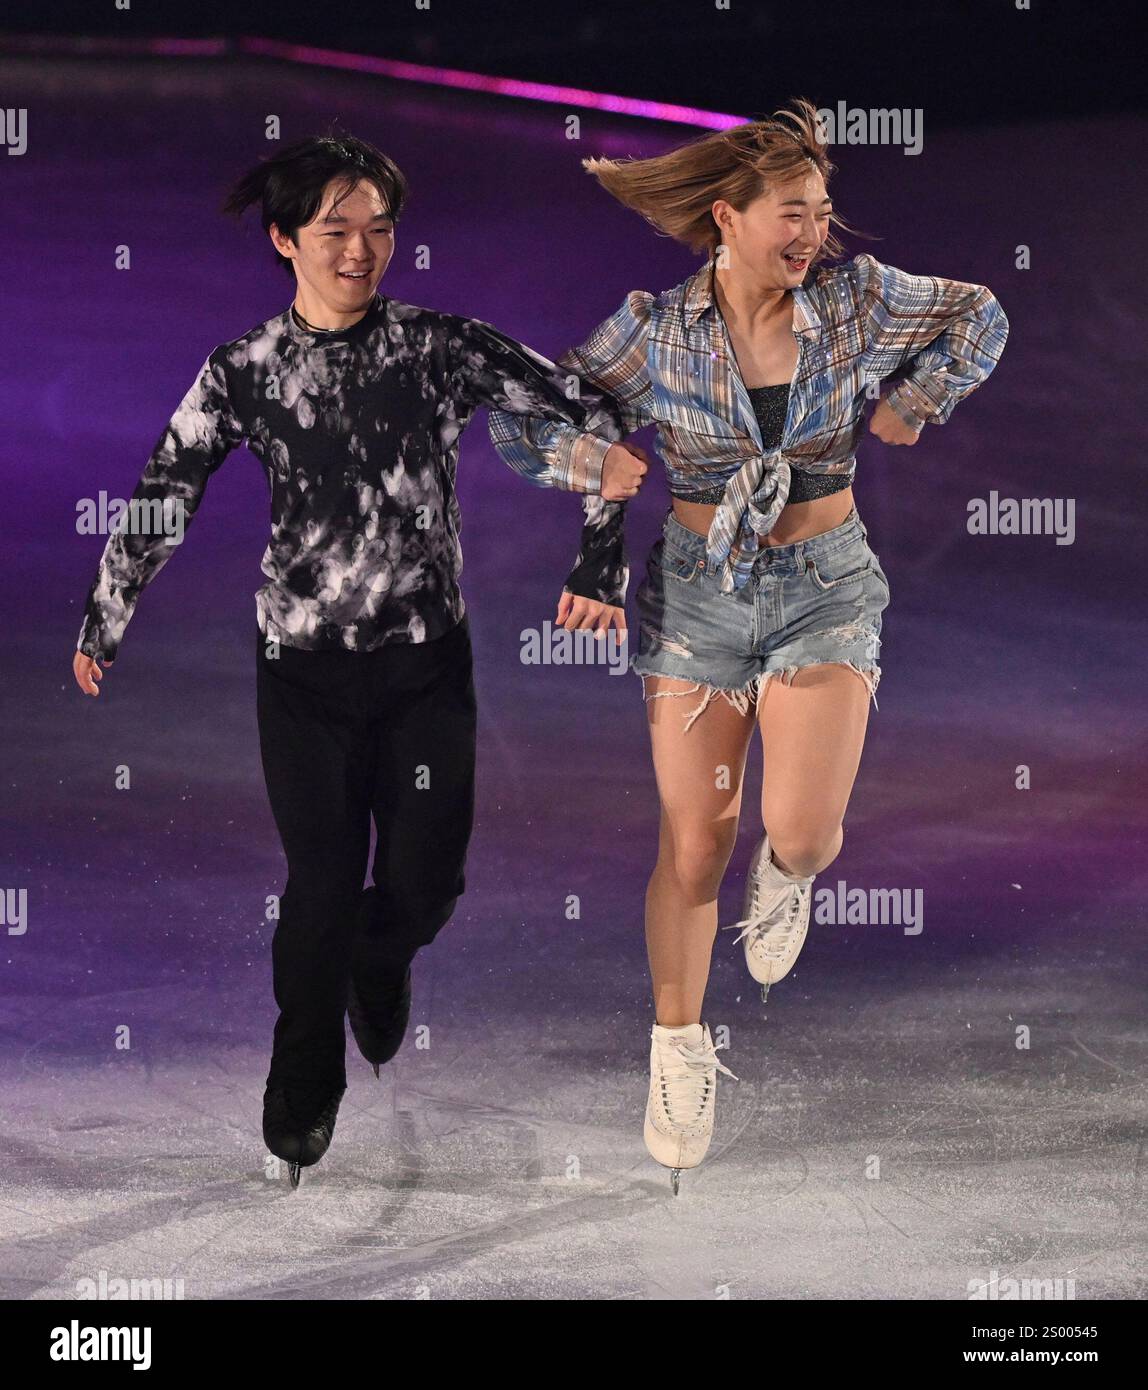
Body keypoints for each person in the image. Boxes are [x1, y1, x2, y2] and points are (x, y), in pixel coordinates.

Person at [71, 135, 648, 1185]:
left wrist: (600, 559)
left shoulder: (436, 347)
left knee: (427, 883)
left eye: (378, 227)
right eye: (335, 229)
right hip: (303, 673)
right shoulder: (242, 370)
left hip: (426, 666)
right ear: (286, 240)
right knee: (321, 885)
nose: (361, 248)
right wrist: (107, 609)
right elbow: (168, 487)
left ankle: (380, 963)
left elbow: (596, 417)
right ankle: (302, 1090)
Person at [488, 98, 1009, 1192]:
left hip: (824, 588)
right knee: (691, 844)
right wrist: (595, 469)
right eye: (789, 211)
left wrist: (916, 399)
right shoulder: (656, 329)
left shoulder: (858, 302)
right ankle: (678, 1045)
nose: (812, 230)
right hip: (696, 603)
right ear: (726, 218)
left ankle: (790, 874)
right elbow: (526, 416)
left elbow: (978, 315)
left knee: (803, 832)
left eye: (821, 210)